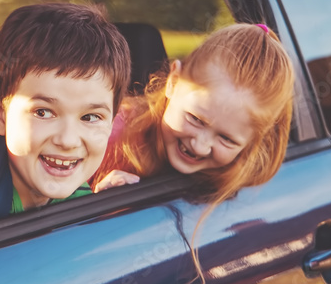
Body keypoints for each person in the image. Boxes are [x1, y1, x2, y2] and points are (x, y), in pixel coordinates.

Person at [0, 3, 131, 227]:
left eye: (90, 117)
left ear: (111, 122)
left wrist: (98, 211)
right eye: (43, 112)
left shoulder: (76, 188)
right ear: (0, 114)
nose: (68, 140)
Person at [93, 23, 295, 202]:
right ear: (173, 81)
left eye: (226, 139)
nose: (200, 147)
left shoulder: (243, 178)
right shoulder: (105, 135)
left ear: (253, 140)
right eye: (196, 119)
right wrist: (97, 199)